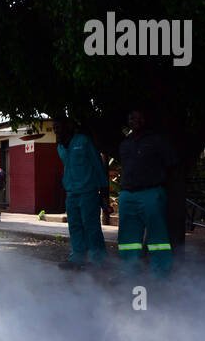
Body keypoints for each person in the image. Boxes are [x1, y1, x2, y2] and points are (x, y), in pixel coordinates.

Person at [117, 108, 179, 278]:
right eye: (131, 117)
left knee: (157, 235)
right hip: (127, 195)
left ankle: (161, 273)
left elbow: (171, 164)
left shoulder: (156, 141)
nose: (134, 120)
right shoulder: (125, 144)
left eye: (138, 117)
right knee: (128, 239)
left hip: (150, 193)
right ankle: (129, 271)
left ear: (145, 120)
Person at [52, 118, 109, 269]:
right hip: (71, 193)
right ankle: (78, 258)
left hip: (88, 192)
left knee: (91, 227)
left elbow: (97, 165)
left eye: (59, 126)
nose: (56, 130)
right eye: (54, 128)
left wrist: (103, 191)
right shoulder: (60, 147)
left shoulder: (83, 141)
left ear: (67, 127)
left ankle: (99, 260)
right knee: (75, 226)